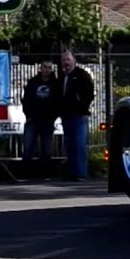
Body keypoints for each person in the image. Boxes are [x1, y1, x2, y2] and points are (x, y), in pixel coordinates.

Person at [58, 50, 96, 181]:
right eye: (63, 60)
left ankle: (81, 173)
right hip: (66, 116)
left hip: (79, 116)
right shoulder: (62, 76)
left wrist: (81, 105)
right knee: (69, 145)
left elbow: (89, 94)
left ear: (74, 60)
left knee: (80, 145)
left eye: (68, 60)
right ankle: (72, 173)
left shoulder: (82, 75)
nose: (66, 63)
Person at [21, 60, 58, 177]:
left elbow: (59, 101)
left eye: (49, 68)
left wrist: (53, 116)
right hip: (33, 119)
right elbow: (25, 100)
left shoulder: (55, 84)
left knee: (46, 148)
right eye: (45, 67)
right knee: (28, 147)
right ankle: (26, 174)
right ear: (40, 68)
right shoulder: (33, 82)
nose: (47, 70)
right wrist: (29, 114)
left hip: (48, 119)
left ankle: (45, 174)